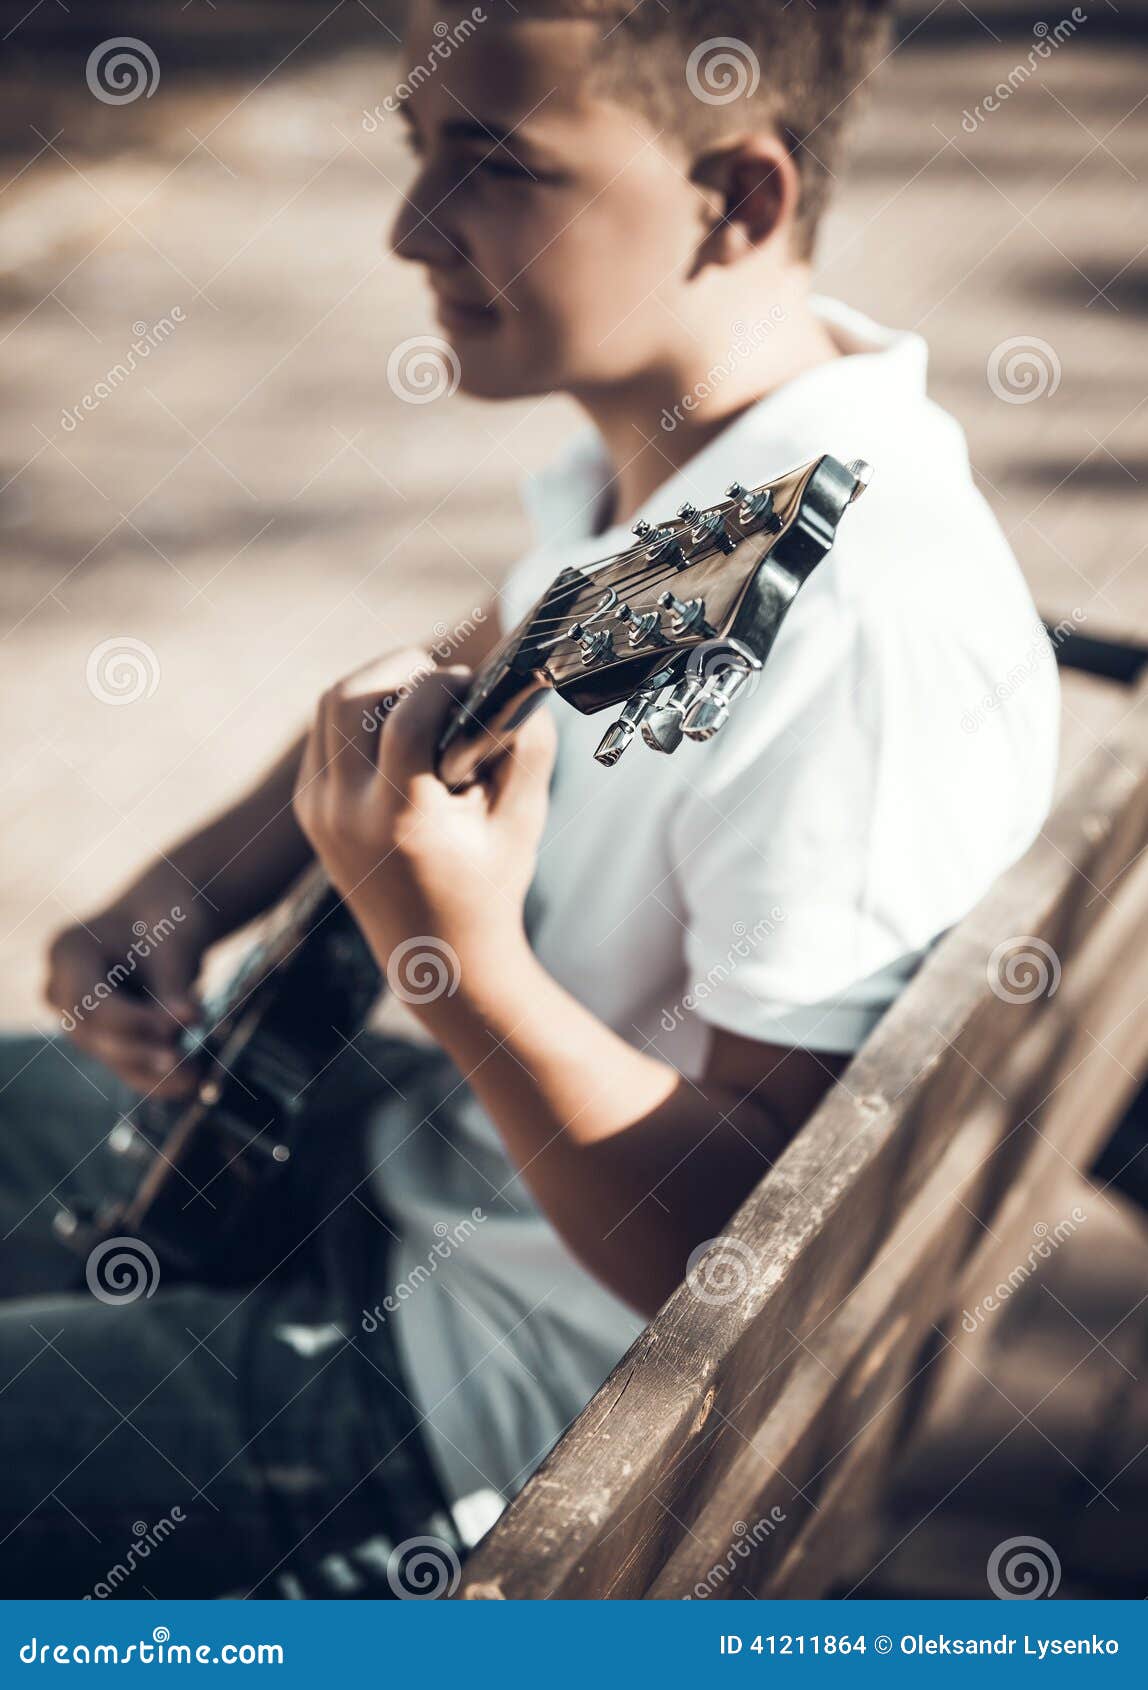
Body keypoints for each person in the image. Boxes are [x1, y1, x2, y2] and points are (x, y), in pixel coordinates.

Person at [0, 0, 1058, 1597]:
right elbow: (481, 651)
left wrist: (464, 956)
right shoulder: (717, 472)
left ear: (740, 197)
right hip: (434, 1184)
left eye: (493, 166)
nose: (409, 227)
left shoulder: (846, 614)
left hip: (489, 1416)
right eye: (419, 150)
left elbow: (739, 1272)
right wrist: (187, 887)